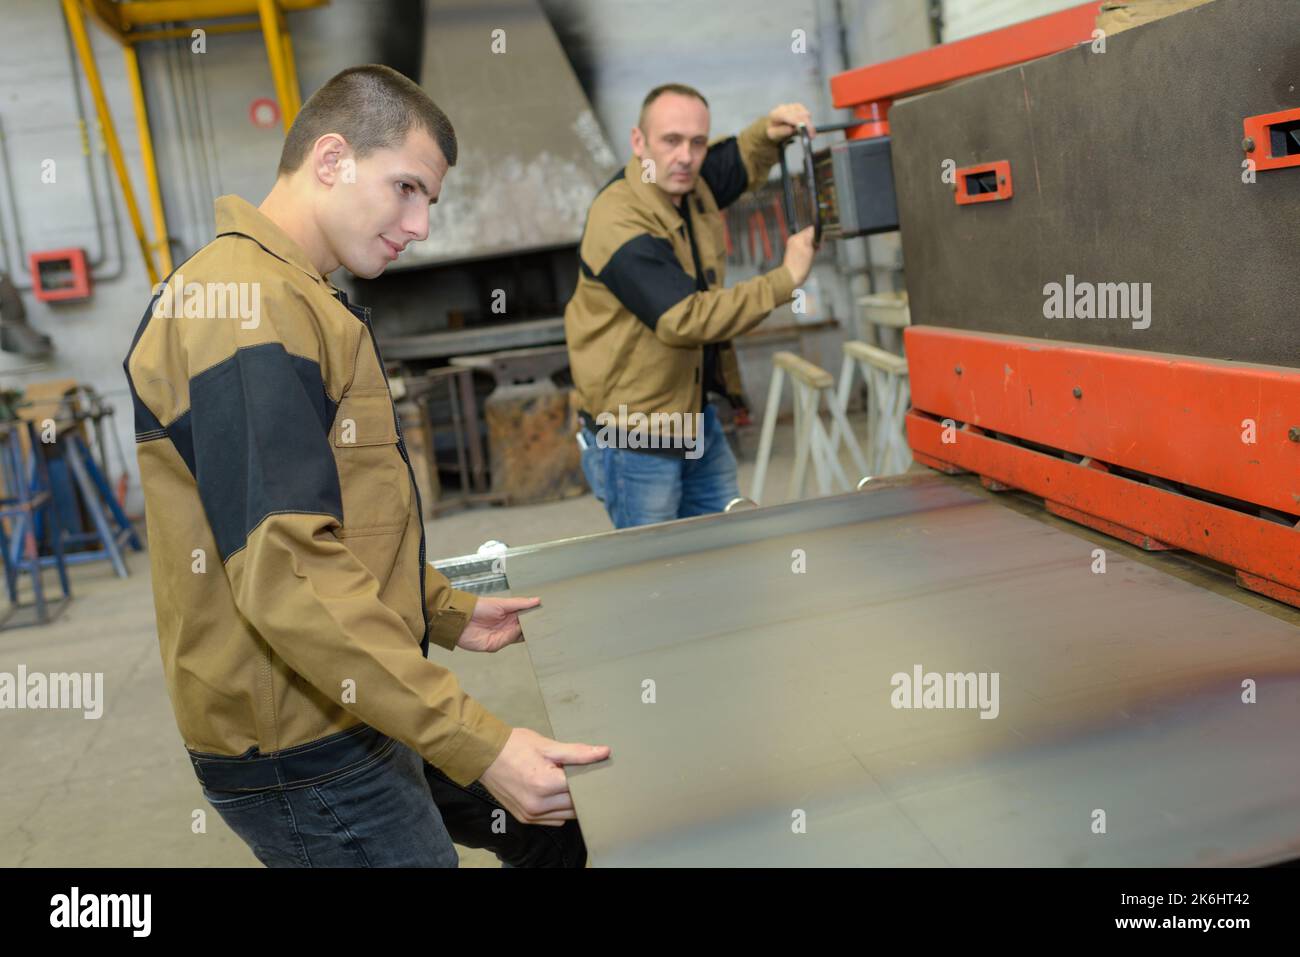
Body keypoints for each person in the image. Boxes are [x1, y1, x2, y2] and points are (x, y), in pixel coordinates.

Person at [123, 64, 609, 868]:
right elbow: (289, 570)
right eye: (406, 188)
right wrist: (477, 740)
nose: (419, 225)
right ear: (331, 158)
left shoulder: (294, 294)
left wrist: (442, 608)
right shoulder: (246, 307)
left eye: (431, 202)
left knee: (554, 831)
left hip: (355, 699)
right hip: (309, 750)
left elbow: (337, 518)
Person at [564, 83, 818, 528]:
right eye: (671, 140)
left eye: (697, 141)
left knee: (723, 549)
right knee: (658, 572)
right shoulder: (619, 219)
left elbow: (735, 161)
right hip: (633, 437)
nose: (685, 156)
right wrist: (785, 280)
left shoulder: (688, 183)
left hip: (695, 418)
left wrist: (768, 130)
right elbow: (683, 319)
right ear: (638, 142)